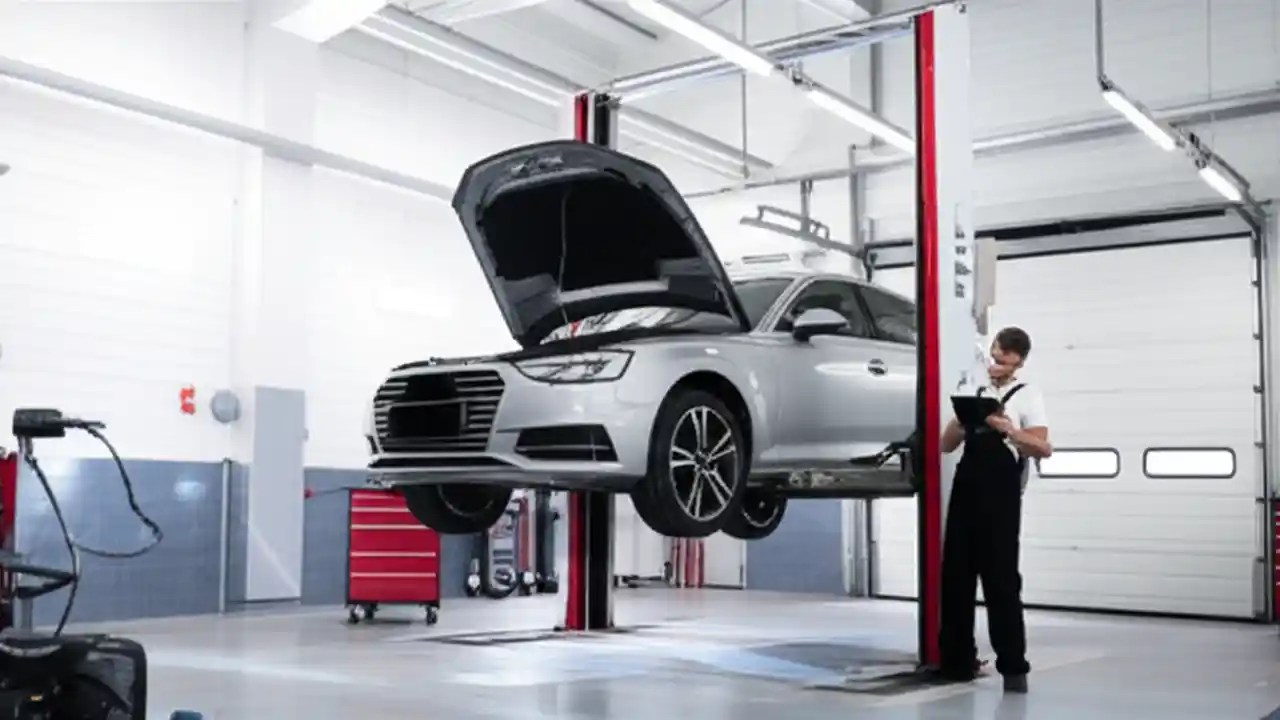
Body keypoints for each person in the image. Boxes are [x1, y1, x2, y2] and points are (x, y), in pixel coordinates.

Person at [938, 326, 1052, 693]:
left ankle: (1013, 668)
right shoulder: (976, 389)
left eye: (1003, 359)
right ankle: (956, 661)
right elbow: (945, 445)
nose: (996, 364)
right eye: (993, 356)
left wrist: (1007, 428)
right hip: (966, 486)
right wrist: (964, 416)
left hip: (1000, 492)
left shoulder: (1028, 394)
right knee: (956, 574)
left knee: (1001, 579)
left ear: (1019, 361)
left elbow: (1042, 448)